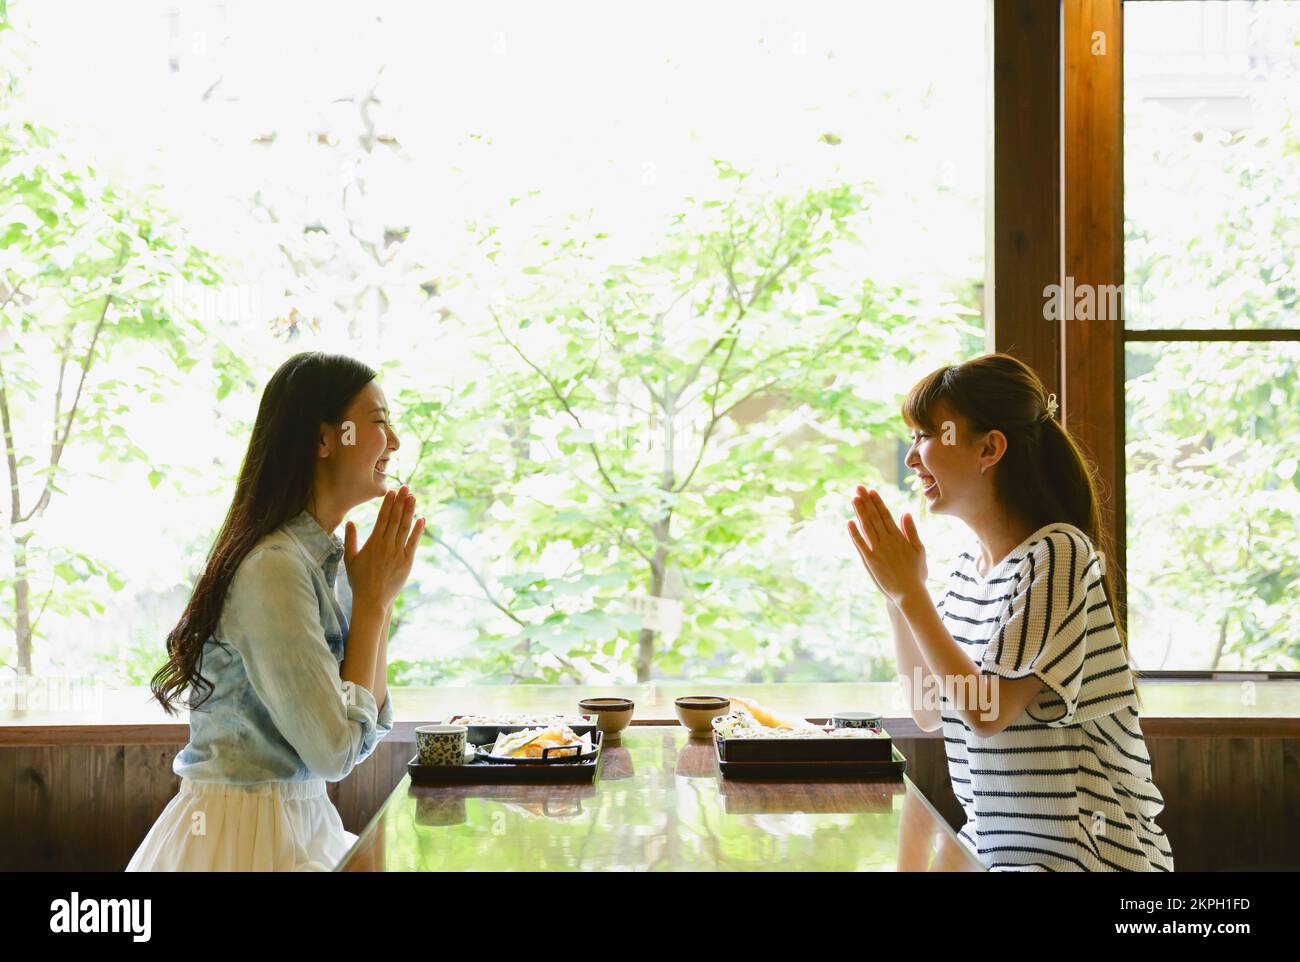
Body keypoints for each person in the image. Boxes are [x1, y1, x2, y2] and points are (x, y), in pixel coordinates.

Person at [847, 352, 1173, 871]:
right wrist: (897, 597)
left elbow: (987, 711)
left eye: (926, 435)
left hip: (1087, 860)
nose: (912, 458)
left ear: (989, 448)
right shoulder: (966, 570)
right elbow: (929, 708)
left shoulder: (1058, 554)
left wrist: (911, 595)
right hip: (997, 852)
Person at [127, 351, 424, 871]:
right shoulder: (274, 568)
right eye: (378, 422)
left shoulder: (326, 564)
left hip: (298, 826)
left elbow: (357, 739)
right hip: (242, 839)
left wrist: (377, 600)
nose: (394, 441)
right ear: (324, 439)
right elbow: (334, 753)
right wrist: (373, 608)